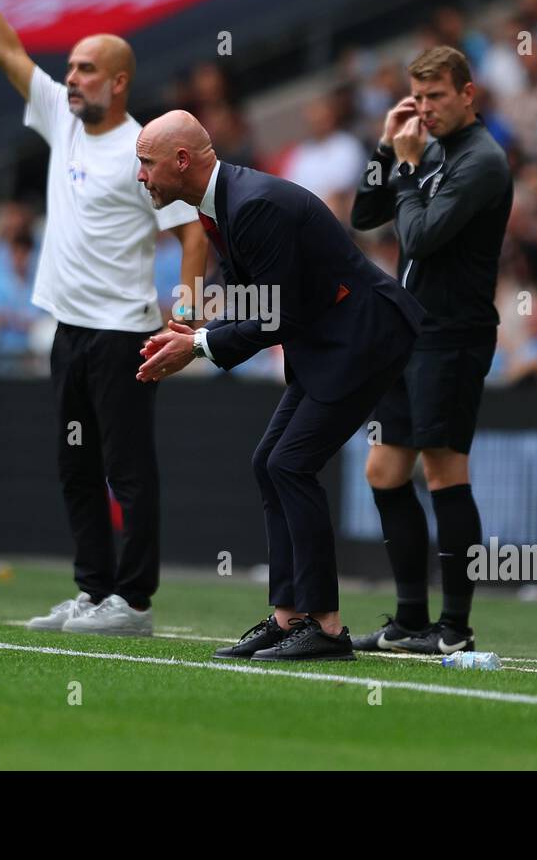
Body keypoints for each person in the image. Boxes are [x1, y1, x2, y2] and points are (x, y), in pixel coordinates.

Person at [0, 0, 208, 637]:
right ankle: (92, 591)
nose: (70, 76)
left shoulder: (143, 150)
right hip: (69, 331)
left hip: (124, 334)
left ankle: (132, 604)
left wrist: (187, 312)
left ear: (118, 81)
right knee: (77, 467)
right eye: (71, 66)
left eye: (85, 69)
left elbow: (195, 230)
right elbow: (5, 49)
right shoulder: (65, 120)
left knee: (129, 472)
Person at [134, 111, 423, 662]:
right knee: (271, 461)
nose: (141, 176)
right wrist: (195, 327)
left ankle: (327, 628)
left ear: (181, 161)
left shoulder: (252, 204)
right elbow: (253, 294)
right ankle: (290, 616)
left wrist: (197, 346)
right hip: (333, 339)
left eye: (146, 163)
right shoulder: (226, 202)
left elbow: (277, 314)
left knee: (289, 463)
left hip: (364, 337)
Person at [349, 45, 513, 654]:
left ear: (468, 94)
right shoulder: (427, 148)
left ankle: (455, 632)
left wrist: (411, 168)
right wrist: (385, 149)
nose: (426, 108)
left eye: (437, 96)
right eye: (417, 98)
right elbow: (367, 214)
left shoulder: (482, 161)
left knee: (445, 471)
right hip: (412, 329)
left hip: (454, 333)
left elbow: (417, 233)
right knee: (384, 470)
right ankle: (410, 621)